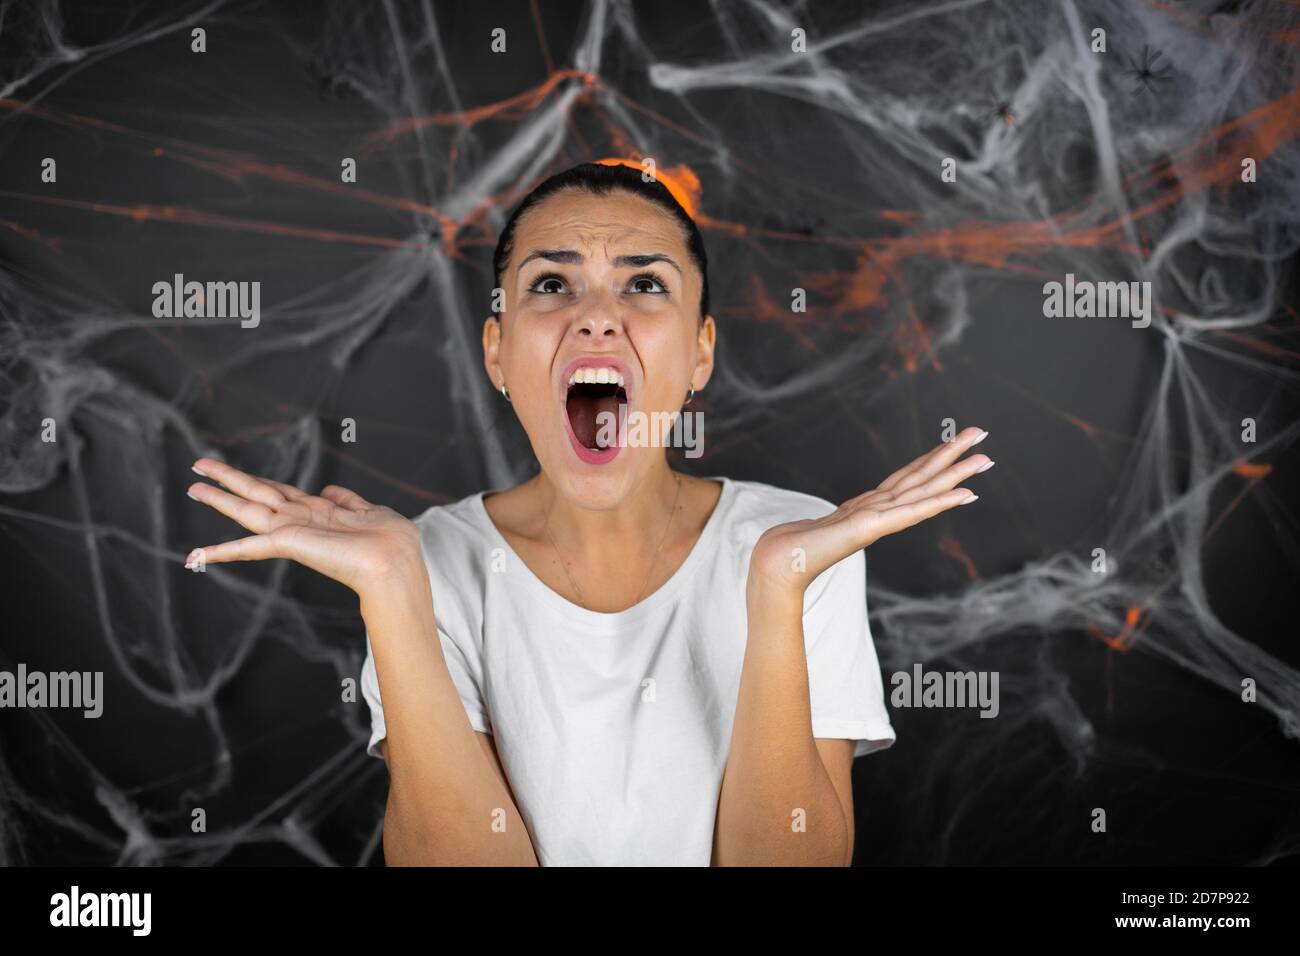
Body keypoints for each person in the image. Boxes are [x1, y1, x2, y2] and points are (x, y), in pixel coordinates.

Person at [182, 161, 993, 866]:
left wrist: (777, 589)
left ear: (700, 352)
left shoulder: (804, 542)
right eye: (551, 284)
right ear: (497, 353)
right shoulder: (426, 564)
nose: (598, 316)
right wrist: (394, 589)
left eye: (644, 284)